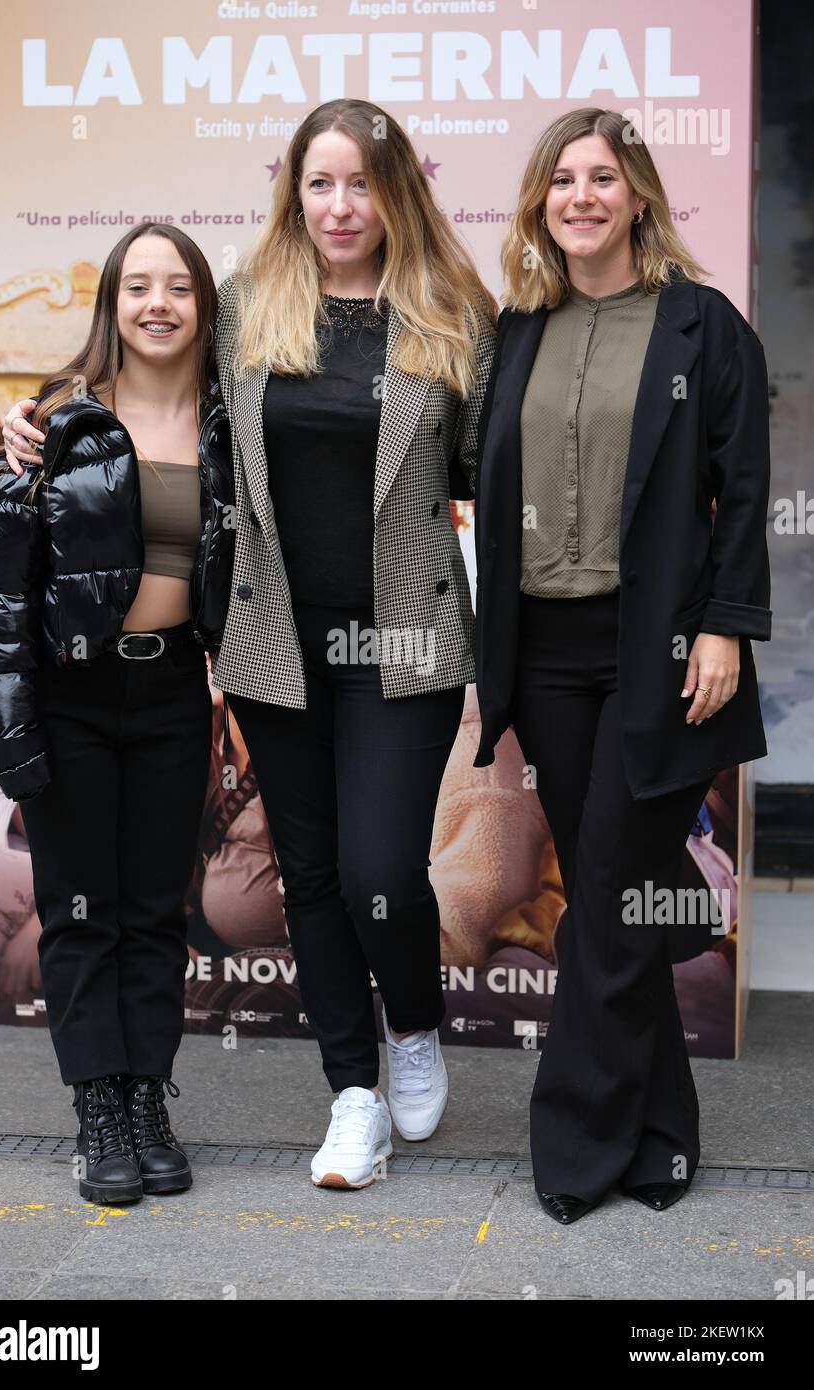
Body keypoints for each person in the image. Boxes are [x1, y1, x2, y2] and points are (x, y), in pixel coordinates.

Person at [3, 99, 497, 1192]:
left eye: (360, 183)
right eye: (318, 183)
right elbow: (148, 380)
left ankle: (411, 1024)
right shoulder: (248, 309)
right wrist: (42, 418)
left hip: (402, 640)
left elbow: (491, 478)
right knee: (308, 876)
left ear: (396, 192)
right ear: (292, 194)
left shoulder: (452, 313)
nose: (338, 206)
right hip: (275, 639)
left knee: (379, 872)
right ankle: (351, 1095)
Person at [472, 108, 771, 1224]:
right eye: (561, 181)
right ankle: (661, 1135)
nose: (580, 197)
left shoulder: (701, 327)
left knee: (602, 890)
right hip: (542, 656)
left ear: (637, 193)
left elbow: (742, 488)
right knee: (617, 890)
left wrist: (724, 626)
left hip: (658, 651)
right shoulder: (516, 330)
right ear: (539, 203)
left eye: (602, 178)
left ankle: (576, 1141)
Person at [0, 223, 235, 1205]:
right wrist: (4, 727)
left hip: (170, 693)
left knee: (154, 911)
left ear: (204, 305)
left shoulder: (227, 426)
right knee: (79, 911)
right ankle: (99, 1108)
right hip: (71, 696)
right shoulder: (54, 425)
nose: (156, 303)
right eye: (136, 286)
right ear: (111, 304)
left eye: (177, 286)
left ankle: (148, 1097)